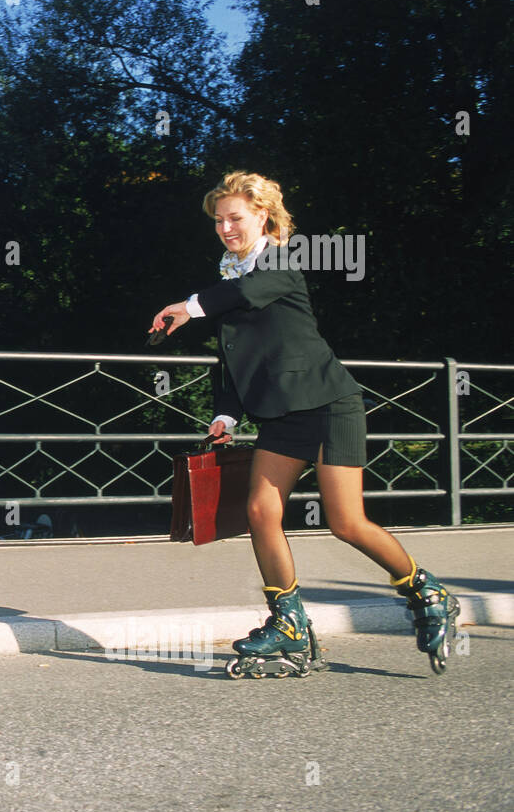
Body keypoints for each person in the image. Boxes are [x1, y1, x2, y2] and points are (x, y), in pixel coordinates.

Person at [150, 171, 458, 675]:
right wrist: (226, 413)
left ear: (262, 216)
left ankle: (426, 591)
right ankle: (289, 623)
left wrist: (187, 307)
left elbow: (249, 294)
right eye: (219, 220)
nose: (226, 227)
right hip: (280, 414)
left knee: (346, 522)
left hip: (329, 404)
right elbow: (235, 353)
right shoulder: (231, 276)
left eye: (236, 218)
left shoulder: (280, 263)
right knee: (259, 511)